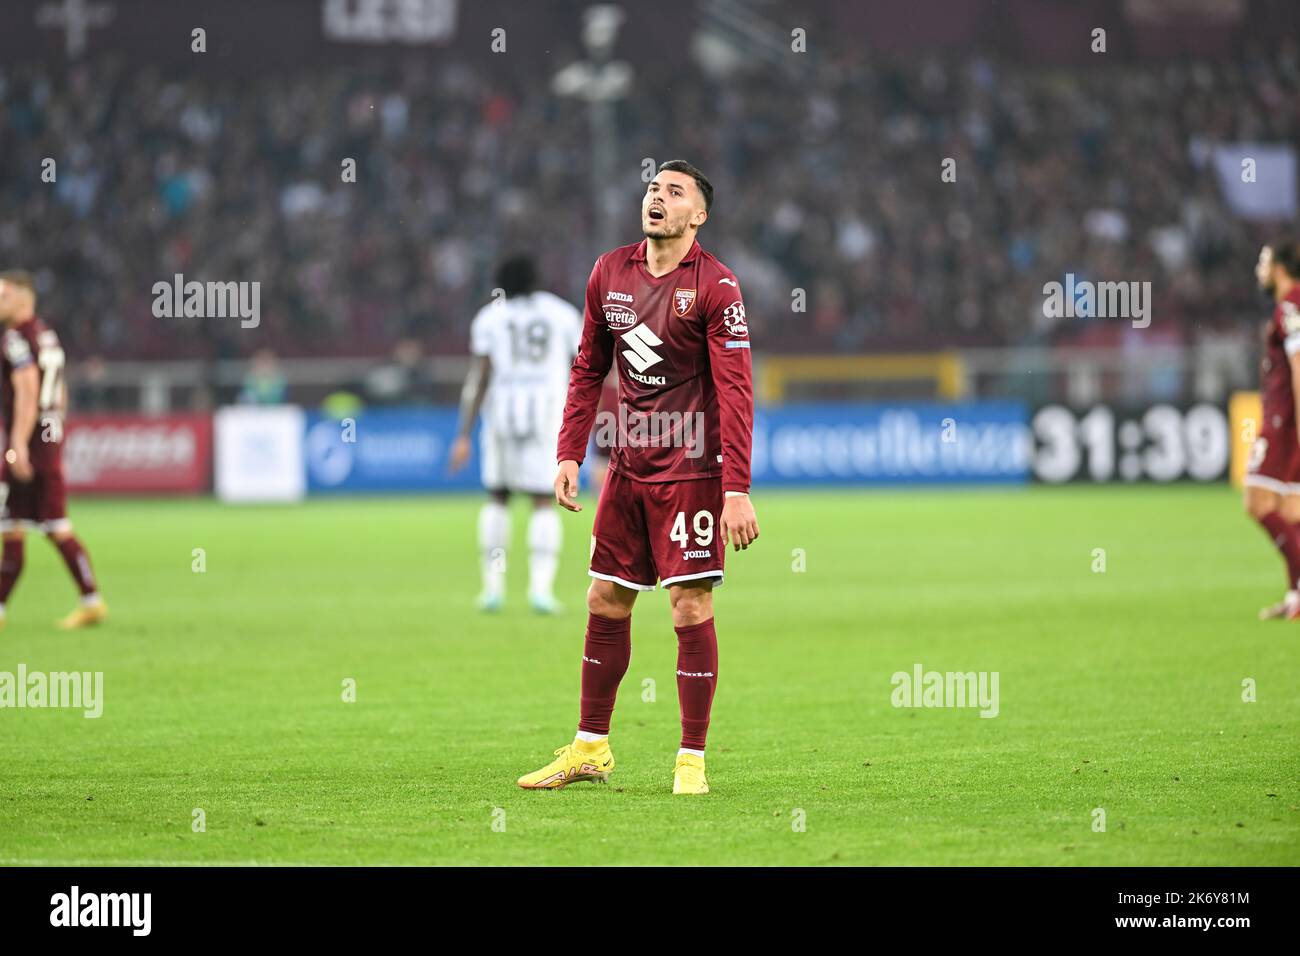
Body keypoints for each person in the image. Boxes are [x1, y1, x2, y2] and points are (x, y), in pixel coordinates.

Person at [516, 160, 759, 795]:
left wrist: (737, 488)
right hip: (627, 466)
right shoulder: (609, 271)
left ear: (697, 216)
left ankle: (691, 761)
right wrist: (569, 452)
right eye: (654, 188)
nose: (657, 197)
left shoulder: (717, 287)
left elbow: (735, 392)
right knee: (605, 598)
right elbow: (587, 368)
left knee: (688, 604)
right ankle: (590, 747)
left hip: (693, 470)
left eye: (674, 193)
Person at [449, 256, 582, 613]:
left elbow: (480, 378)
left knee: (498, 497)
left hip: (502, 415)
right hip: (547, 416)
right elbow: (586, 366)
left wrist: (463, 433)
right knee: (543, 499)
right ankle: (541, 590)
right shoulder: (562, 314)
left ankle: (492, 588)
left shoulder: (490, 317)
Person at [0, 271, 107, 630]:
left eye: (4, 296)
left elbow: (28, 391)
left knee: (46, 524)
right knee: (20, 523)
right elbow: (58, 392)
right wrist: (54, 427)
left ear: (23, 297)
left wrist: (17, 442)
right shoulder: (46, 335)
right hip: (48, 435)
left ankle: (91, 599)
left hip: (30, 441)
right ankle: (89, 599)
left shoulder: (16, 338)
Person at [1245, 240, 1300, 620]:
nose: (1259, 270)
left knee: (1258, 503)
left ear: (1280, 267)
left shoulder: (1291, 305)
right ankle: (1297, 595)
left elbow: (1299, 366)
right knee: (1289, 511)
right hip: (1285, 419)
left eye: (1263, 262)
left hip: (1284, 421)